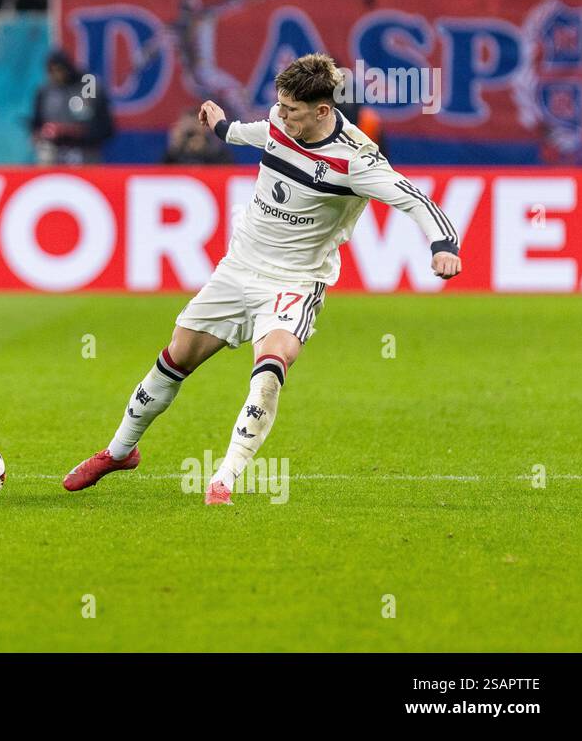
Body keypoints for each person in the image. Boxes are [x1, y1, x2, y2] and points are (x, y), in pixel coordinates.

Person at [63, 54, 462, 505]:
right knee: (175, 359)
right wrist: (221, 127)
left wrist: (443, 246)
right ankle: (119, 452)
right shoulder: (279, 121)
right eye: (280, 105)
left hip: (295, 281)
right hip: (238, 268)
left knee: (269, 370)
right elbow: (253, 133)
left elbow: (415, 200)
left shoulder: (356, 161)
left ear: (323, 111)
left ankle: (223, 479)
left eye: (292, 110)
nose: (281, 114)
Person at [30, 49, 114, 165]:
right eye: (51, 71)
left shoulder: (88, 87)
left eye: (59, 70)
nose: (56, 75)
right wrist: (40, 133)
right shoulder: (46, 90)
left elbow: (105, 127)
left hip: (85, 153)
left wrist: (72, 131)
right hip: (54, 154)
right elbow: (37, 122)